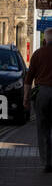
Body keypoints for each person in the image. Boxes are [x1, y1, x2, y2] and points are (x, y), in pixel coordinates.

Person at [23, 28, 52, 173]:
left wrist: (26, 98)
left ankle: (47, 162)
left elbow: (28, 80)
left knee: (43, 128)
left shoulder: (38, 54)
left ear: (44, 40)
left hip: (43, 93)